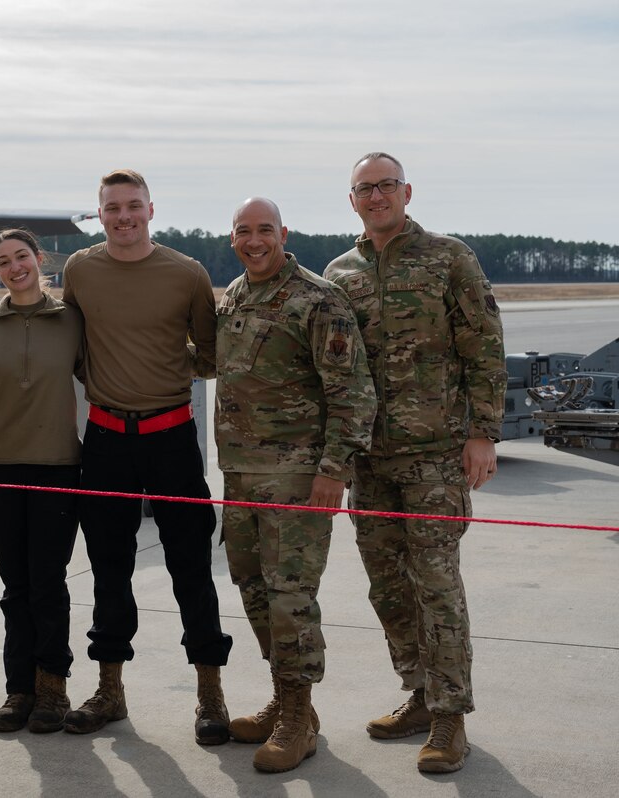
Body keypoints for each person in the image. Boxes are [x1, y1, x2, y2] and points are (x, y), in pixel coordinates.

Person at [324, 152, 506, 773]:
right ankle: (420, 694)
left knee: (436, 585)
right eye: (364, 189)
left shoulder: (448, 258)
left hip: (434, 455)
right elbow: (335, 371)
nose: (377, 197)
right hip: (369, 459)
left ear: (407, 191)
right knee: (387, 585)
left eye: (386, 186)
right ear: (352, 200)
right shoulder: (339, 273)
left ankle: (452, 716)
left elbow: (484, 345)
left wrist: (483, 433)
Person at [60, 169, 232, 744]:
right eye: (113, 208)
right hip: (106, 441)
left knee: (191, 567)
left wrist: (161, 366)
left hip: (171, 440)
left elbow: (208, 354)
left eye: (133, 206)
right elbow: (75, 346)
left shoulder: (186, 274)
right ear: (100, 213)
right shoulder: (80, 271)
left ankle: (210, 693)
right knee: (110, 569)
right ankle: (110, 689)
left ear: (151, 210)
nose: (123, 216)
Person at [216, 198, 376, 771]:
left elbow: (353, 391)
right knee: (254, 591)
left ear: (284, 233)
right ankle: (287, 702)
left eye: (265, 230)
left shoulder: (317, 298)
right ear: (232, 238)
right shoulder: (236, 294)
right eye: (244, 231)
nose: (254, 240)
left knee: (290, 600)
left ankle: (297, 718)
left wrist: (334, 470)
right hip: (240, 476)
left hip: (297, 479)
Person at [0, 228, 84, 734]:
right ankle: (18, 689)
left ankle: (53, 683)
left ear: (39, 259)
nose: (14, 267)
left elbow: (102, 374)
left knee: (48, 581)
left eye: (22, 256)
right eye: (3, 261)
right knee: (15, 585)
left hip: (57, 465)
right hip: (2, 467)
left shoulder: (71, 320)